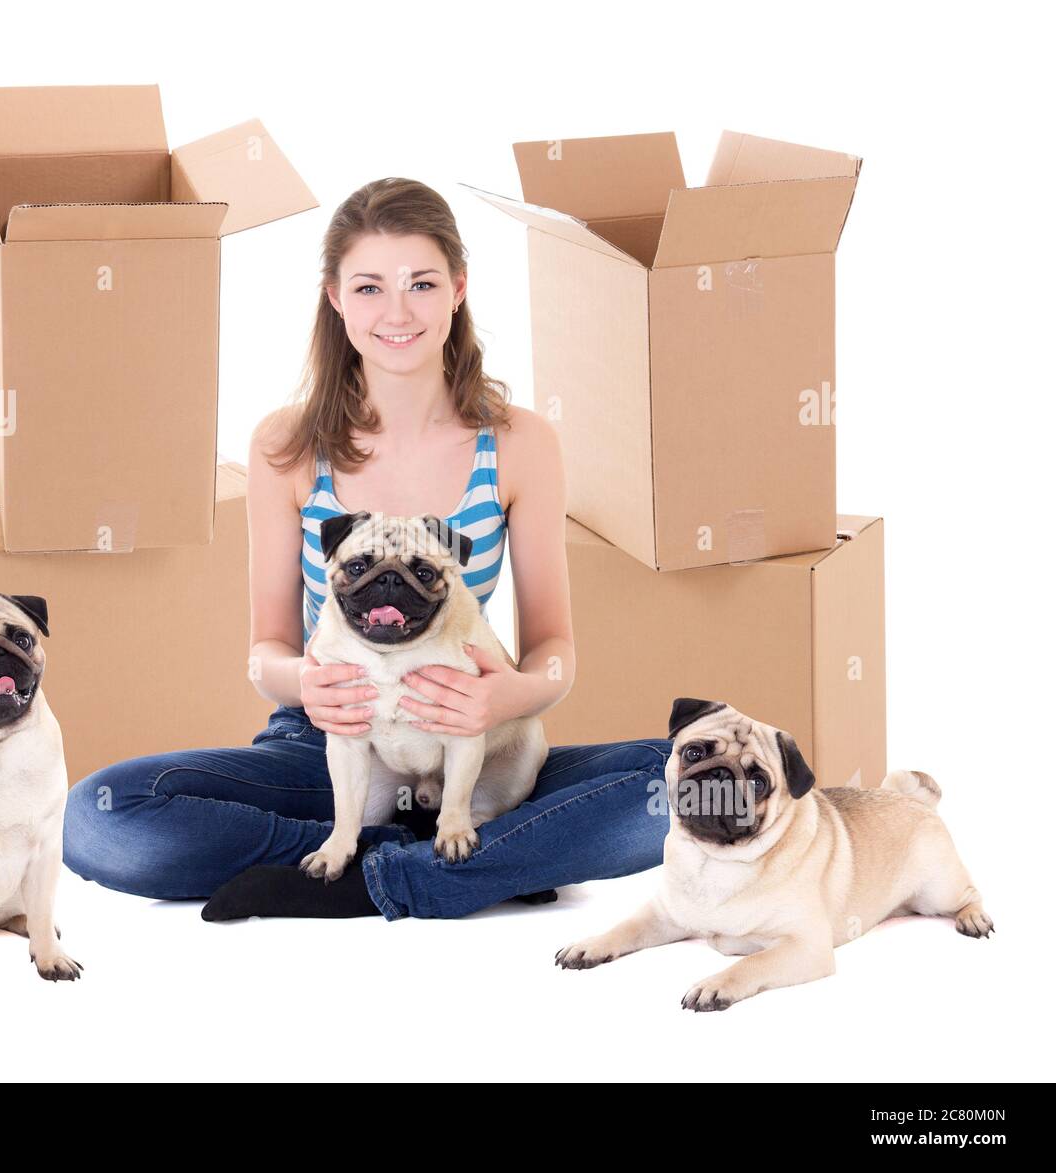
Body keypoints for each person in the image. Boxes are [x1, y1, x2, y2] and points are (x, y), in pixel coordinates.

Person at [62, 177, 672, 921]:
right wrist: (304, 682)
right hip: (334, 742)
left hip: (473, 745)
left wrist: (504, 695)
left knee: (682, 782)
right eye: (370, 287)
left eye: (420, 283)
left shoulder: (519, 443)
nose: (397, 312)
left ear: (458, 288)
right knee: (100, 818)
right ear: (335, 298)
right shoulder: (286, 447)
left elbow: (554, 653)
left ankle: (365, 875)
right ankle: (462, 857)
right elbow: (265, 649)